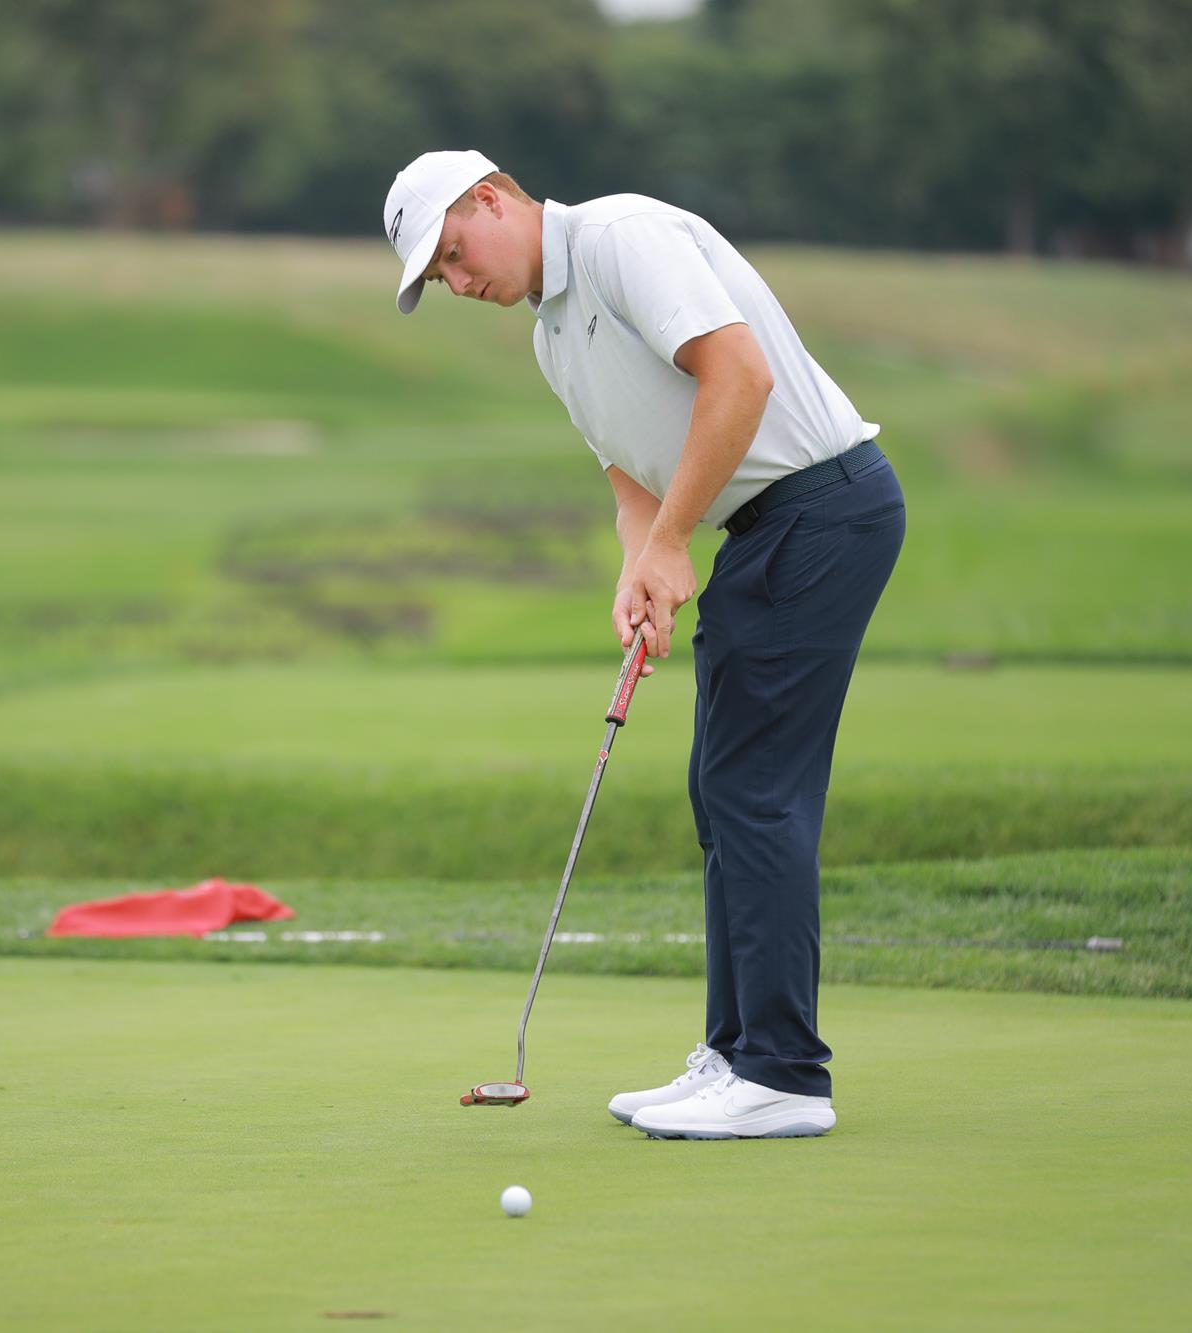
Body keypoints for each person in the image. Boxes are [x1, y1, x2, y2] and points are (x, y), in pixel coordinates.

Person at [384, 150, 905, 1140]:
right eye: (440, 278)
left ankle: (783, 1073)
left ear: (491, 198)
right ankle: (734, 1052)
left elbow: (737, 376)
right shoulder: (550, 337)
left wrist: (673, 543)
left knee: (754, 790)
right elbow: (631, 476)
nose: (458, 283)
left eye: (453, 253)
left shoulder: (621, 237)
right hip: (764, 530)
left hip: (820, 510)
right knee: (722, 788)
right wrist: (641, 566)